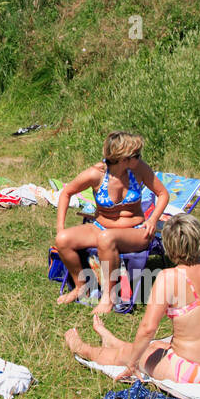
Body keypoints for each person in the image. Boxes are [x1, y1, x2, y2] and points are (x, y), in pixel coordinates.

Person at [65, 214, 200, 385]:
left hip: (188, 371)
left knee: (126, 355)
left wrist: (132, 363)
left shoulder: (170, 277)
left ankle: (81, 348)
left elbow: (148, 328)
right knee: (156, 346)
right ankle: (113, 341)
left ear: (169, 245)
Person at [53, 131, 170, 315]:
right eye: (136, 155)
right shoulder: (96, 174)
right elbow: (66, 193)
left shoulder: (139, 169)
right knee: (62, 240)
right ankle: (80, 286)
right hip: (101, 227)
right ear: (122, 158)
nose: (140, 159)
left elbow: (163, 193)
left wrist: (153, 219)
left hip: (136, 230)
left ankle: (109, 296)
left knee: (106, 239)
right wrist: (60, 227)